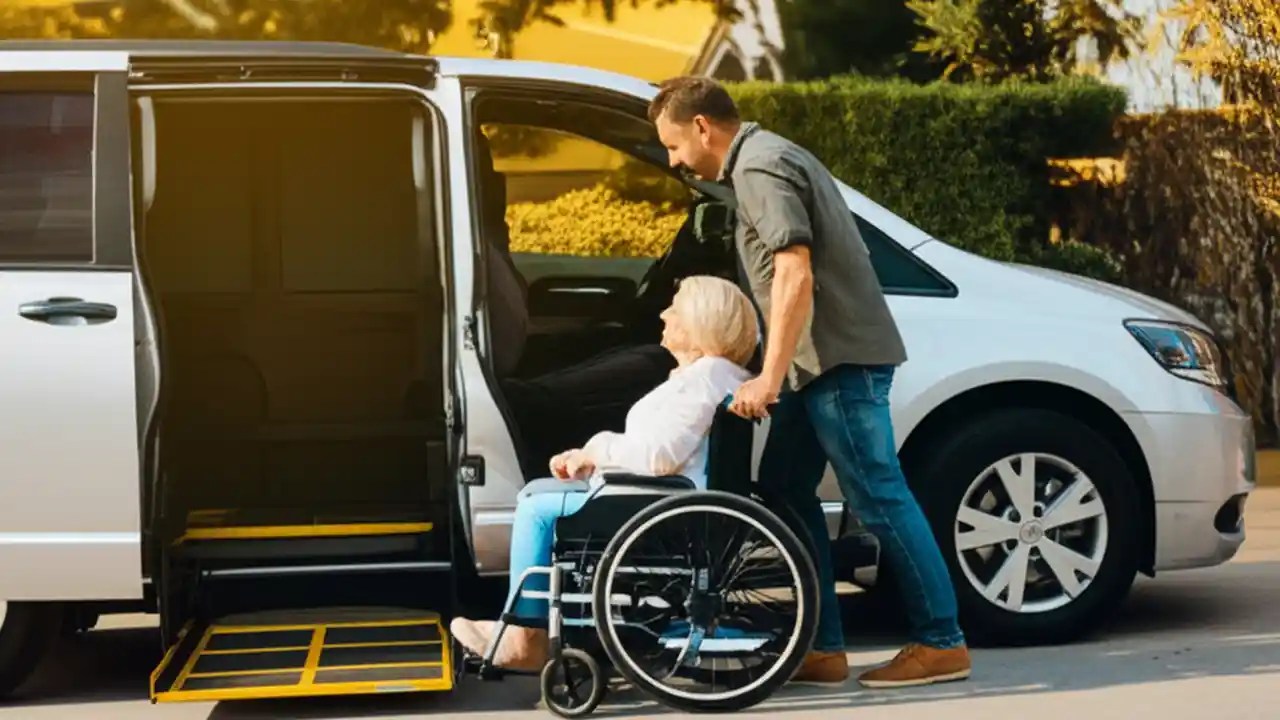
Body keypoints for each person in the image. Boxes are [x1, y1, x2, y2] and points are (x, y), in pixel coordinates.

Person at [648, 77, 971, 688]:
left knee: (878, 496)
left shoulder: (759, 168)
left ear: (701, 128)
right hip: (811, 365)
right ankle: (823, 647)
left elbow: (795, 271)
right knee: (784, 487)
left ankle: (941, 641)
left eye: (673, 146)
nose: (673, 161)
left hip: (835, 362)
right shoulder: (766, 158)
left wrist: (767, 377)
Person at [450, 275, 759, 671]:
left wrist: (595, 450)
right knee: (537, 491)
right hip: (663, 495)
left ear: (700, 324)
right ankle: (528, 629)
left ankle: (526, 638)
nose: (664, 314)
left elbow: (658, 457)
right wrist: (591, 455)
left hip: (659, 500)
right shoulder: (710, 376)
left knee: (535, 507)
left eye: (675, 309)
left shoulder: (702, 380)